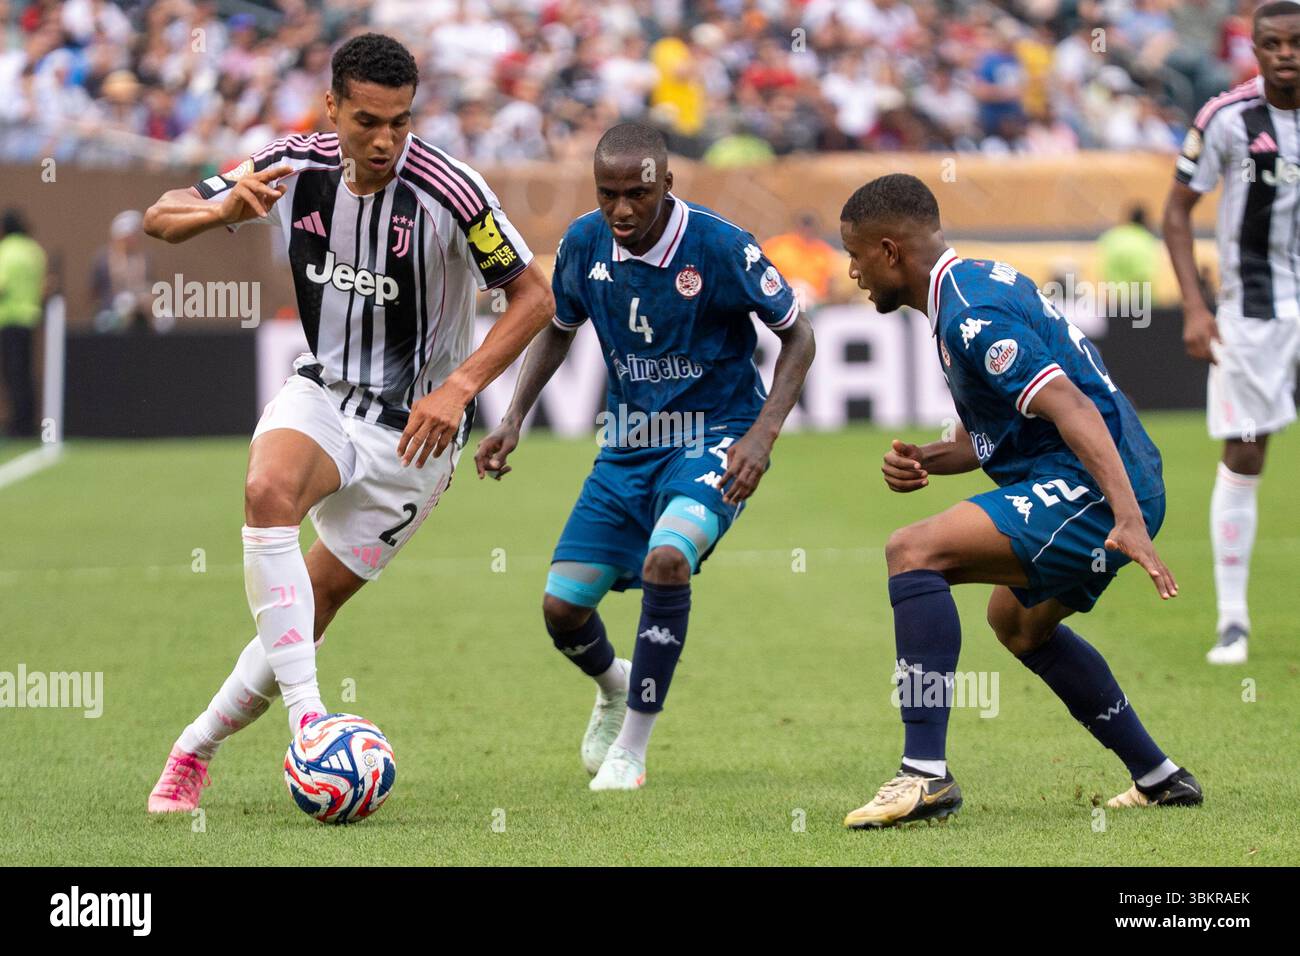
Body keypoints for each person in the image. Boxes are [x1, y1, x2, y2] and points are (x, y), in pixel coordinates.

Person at [140, 33, 554, 813]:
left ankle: (194, 743)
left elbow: (536, 297)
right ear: (331, 107)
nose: (386, 140)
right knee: (267, 489)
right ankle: (311, 726)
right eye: (367, 120)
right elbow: (161, 219)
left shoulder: (452, 191)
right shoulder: (292, 163)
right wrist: (221, 209)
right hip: (325, 395)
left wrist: (459, 388)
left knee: (312, 606)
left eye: (400, 121)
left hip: (415, 436)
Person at [838, 173, 1200, 828]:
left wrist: (1126, 517)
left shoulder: (971, 315)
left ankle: (924, 775)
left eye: (855, 254)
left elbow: (1071, 407)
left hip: (1099, 485)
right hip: (1105, 475)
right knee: (1018, 625)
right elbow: (1004, 433)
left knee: (912, 550)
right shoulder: (973, 283)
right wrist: (927, 458)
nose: (852, 270)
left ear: (889, 251)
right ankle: (1159, 777)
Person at [474, 123, 815, 790]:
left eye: (638, 194)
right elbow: (558, 330)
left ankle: (632, 747)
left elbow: (798, 337)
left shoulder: (721, 246)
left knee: (667, 560)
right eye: (609, 195)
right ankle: (613, 685)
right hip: (629, 444)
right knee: (561, 609)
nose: (623, 210)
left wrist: (762, 436)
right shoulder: (582, 242)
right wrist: (512, 417)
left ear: (668, 185)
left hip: (715, 432)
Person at [1163, 0, 1300, 665]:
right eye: (1272, 43)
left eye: (1295, 43)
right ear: (1253, 47)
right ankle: (1233, 620)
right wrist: (1194, 308)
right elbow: (1177, 213)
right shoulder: (1225, 118)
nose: (1285, 54)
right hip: (1252, 316)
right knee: (1246, 452)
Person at [0, 208, 46, 438]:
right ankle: (28, 423)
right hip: (30, 318)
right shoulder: (34, 250)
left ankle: (18, 426)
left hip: (9, 319)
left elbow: (2, 285)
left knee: (12, 375)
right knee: (25, 374)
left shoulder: (6, 251)